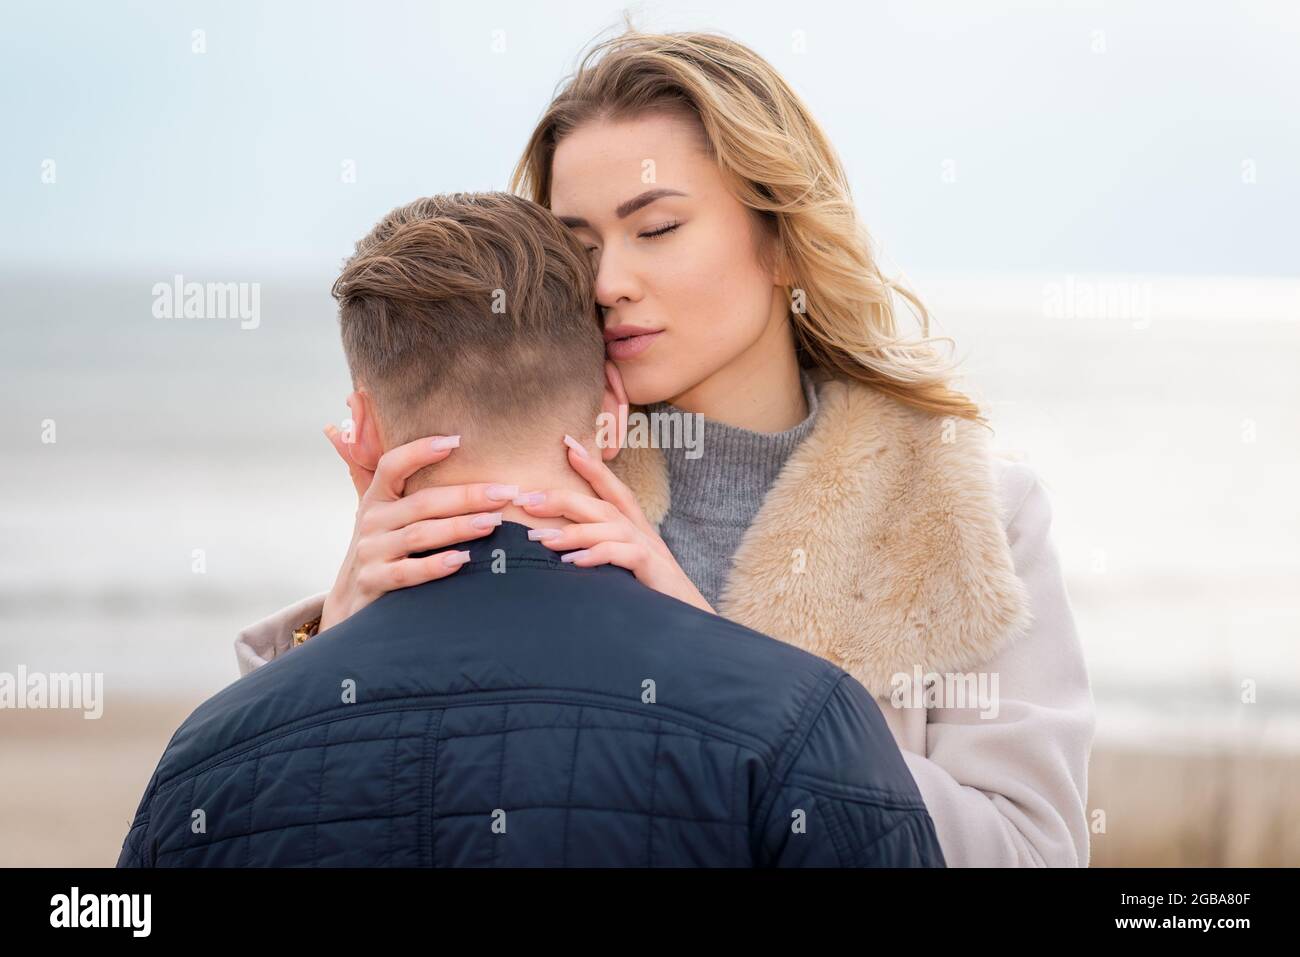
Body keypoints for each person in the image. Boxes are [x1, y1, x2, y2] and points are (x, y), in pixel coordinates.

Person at [236, 29, 1094, 867]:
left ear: (784, 240)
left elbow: (1030, 850)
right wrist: (341, 626)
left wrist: (719, 663)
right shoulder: (525, 480)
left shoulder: (969, 510)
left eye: (655, 229)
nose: (609, 282)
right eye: (578, 248)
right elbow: (308, 809)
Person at [117, 192, 946, 867]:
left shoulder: (209, 757)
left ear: (363, 429)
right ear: (612, 413)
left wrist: (322, 644)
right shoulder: (796, 721)